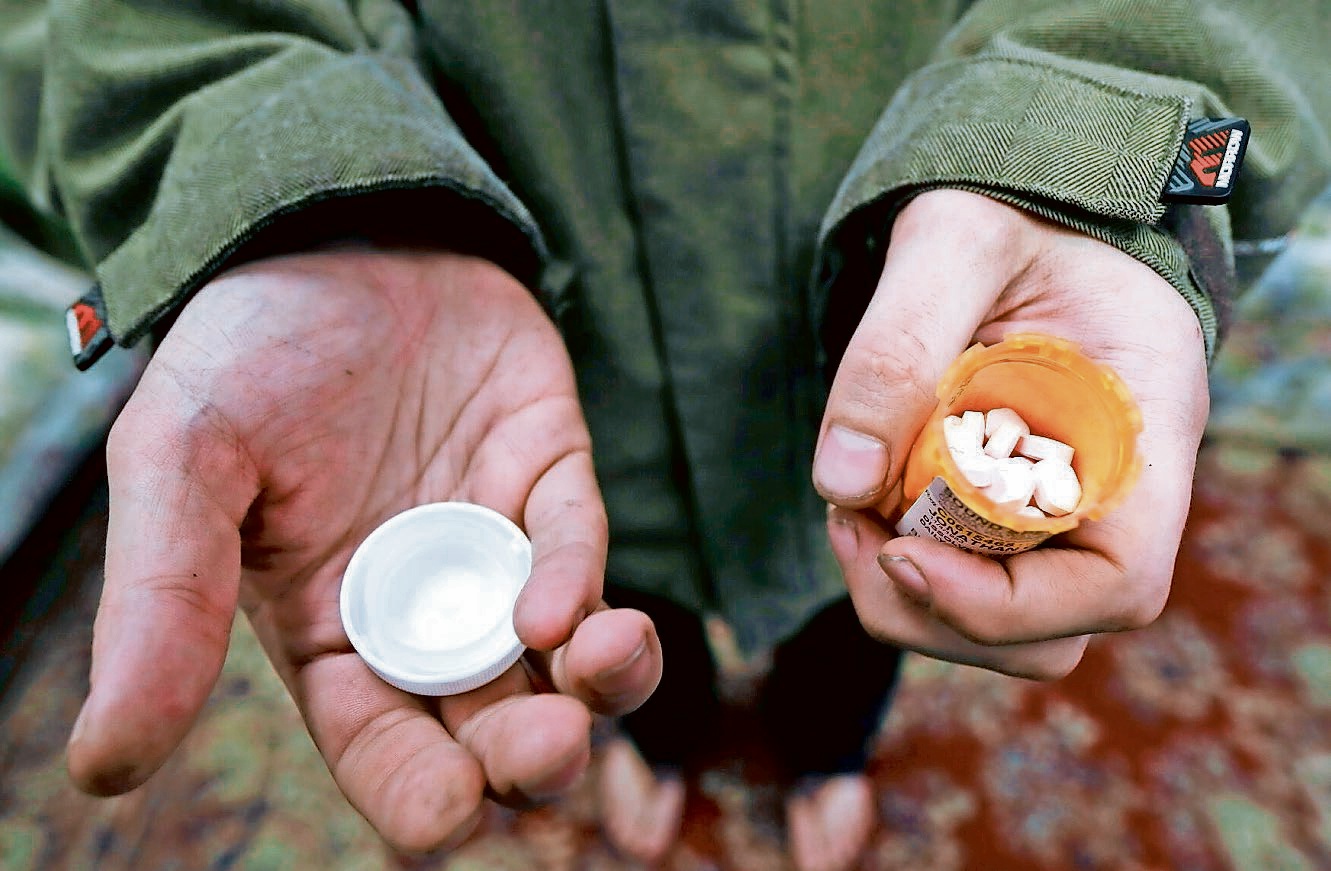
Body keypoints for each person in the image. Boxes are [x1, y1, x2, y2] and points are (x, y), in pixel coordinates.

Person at [1, 1, 1327, 867]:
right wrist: (286, 186)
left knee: (864, 604)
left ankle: (823, 756)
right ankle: (665, 739)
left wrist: (1082, 147)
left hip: (883, 323)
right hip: (540, 388)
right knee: (614, 629)